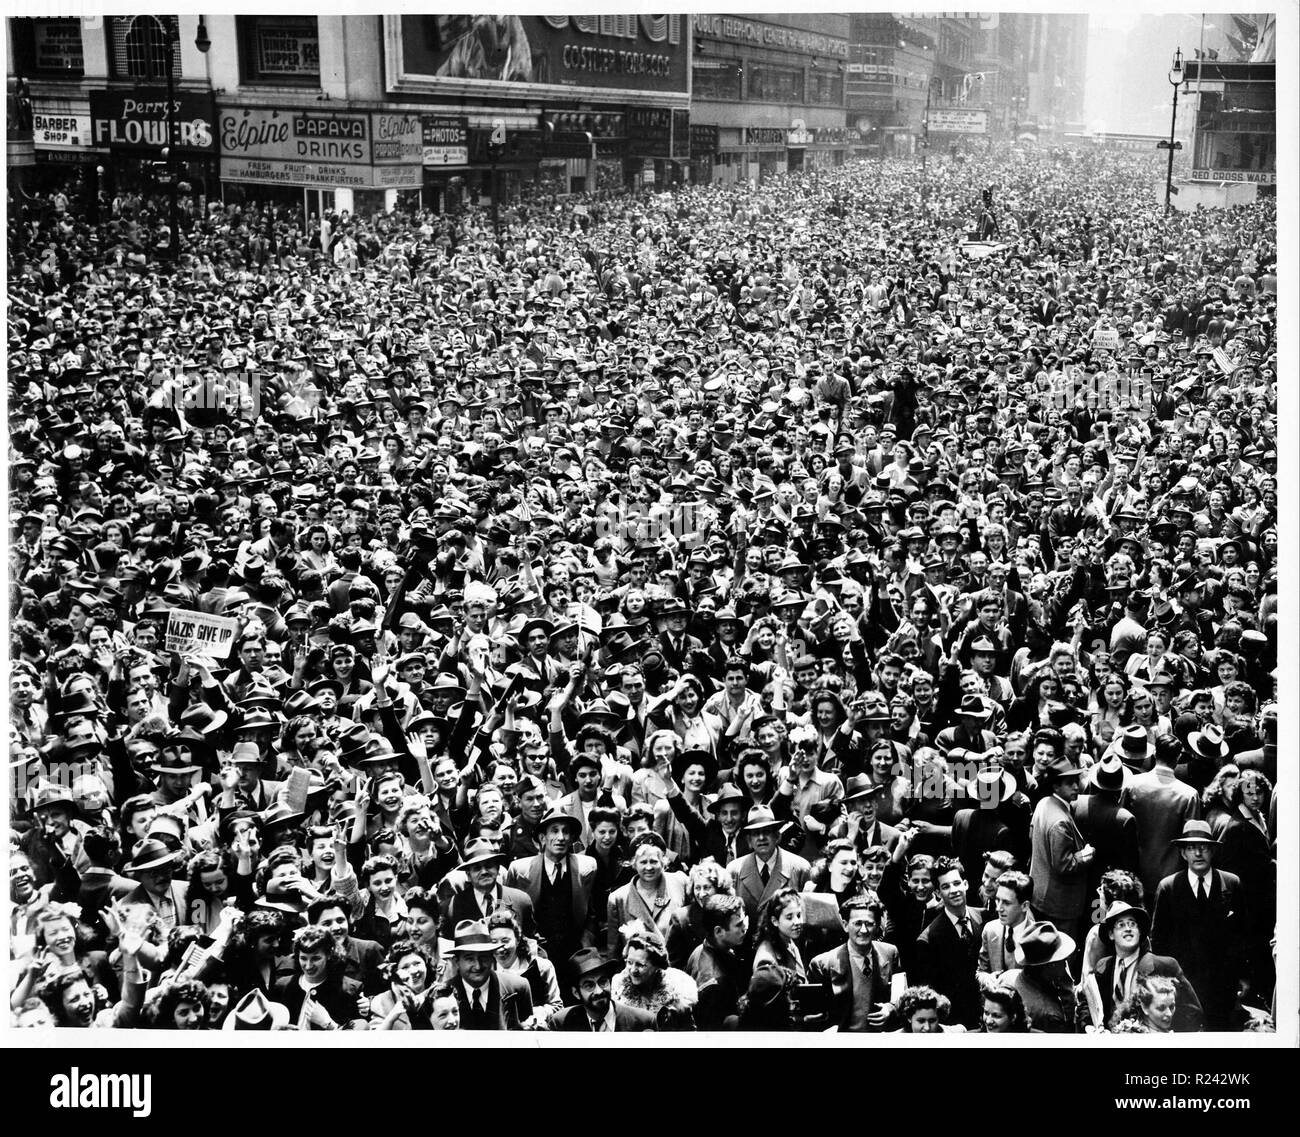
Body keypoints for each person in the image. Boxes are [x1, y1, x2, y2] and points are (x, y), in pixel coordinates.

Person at [1150, 820, 1249, 1030]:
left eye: (1203, 847)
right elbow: (1159, 941)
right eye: (1191, 848)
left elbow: (1243, 936)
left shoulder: (1231, 884)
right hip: (1184, 984)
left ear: (1212, 851)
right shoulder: (1169, 888)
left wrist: (1244, 976)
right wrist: (1166, 983)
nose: (1198, 853)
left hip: (1223, 984)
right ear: (1183, 853)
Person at [1090, 901, 1202, 1032]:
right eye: (1121, 925)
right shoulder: (1103, 966)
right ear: (1111, 934)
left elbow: (1192, 1011)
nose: (1128, 928)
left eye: (1132, 924)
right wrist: (1090, 1027)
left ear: (1139, 931)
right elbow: (1088, 1004)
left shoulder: (1164, 966)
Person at [807, 894, 900, 1032]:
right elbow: (813, 1015)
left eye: (869, 924)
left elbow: (901, 995)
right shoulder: (822, 964)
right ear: (845, 925)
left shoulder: (890, 953)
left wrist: (890, 1008)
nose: (863, 930)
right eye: (857, 923)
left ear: (877, 926)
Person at [1027, 751, 1093, 945]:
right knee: (1061, 951)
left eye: (1076, 780)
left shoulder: (1043, 804)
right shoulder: (1060, 821)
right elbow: (1064, 866)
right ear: (1056, 786)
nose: (1076, 786)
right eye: (1069, 783)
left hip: (1040, 894)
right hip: (1060, 904)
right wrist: (1086, 855)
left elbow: (1032, 835)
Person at [912, 857, 984, 1029]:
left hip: (988, 1017)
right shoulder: (928, 939)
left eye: (957, 883)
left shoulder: (984, 918)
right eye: (945, 886)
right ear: (938, 893)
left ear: (965, 884)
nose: (953, 890)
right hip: (956, 1024)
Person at [727, 805, 811, 925]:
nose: (761, 838)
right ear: (749, 840)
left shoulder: (800, 868)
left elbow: (808, 916)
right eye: (756, 833)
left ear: (777, 836)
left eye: (766, 832)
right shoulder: (734, 870)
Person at [446, 919, 534, 1031]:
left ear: (492, 957)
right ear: (456, 961)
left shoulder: (519, 988)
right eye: (469, 959)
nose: (478, 966)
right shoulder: (443, 995)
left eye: (483, 957)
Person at [610, 921, 698, 1030]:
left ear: (657, 965)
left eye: (640, 965)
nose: (633, 970)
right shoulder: (617, 991)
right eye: (629, 962)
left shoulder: (678, 991)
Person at [549, 948, 657, 1032]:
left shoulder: (644, 1022)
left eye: (602, 982)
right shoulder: (561, 1023)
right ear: (576, 993)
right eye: (589, 985)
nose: (599, 991)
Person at [687, 893, 750, 1030]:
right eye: (739, 925)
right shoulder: (714, 983)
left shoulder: (701, 949)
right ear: (718, 931)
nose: (745, 928)